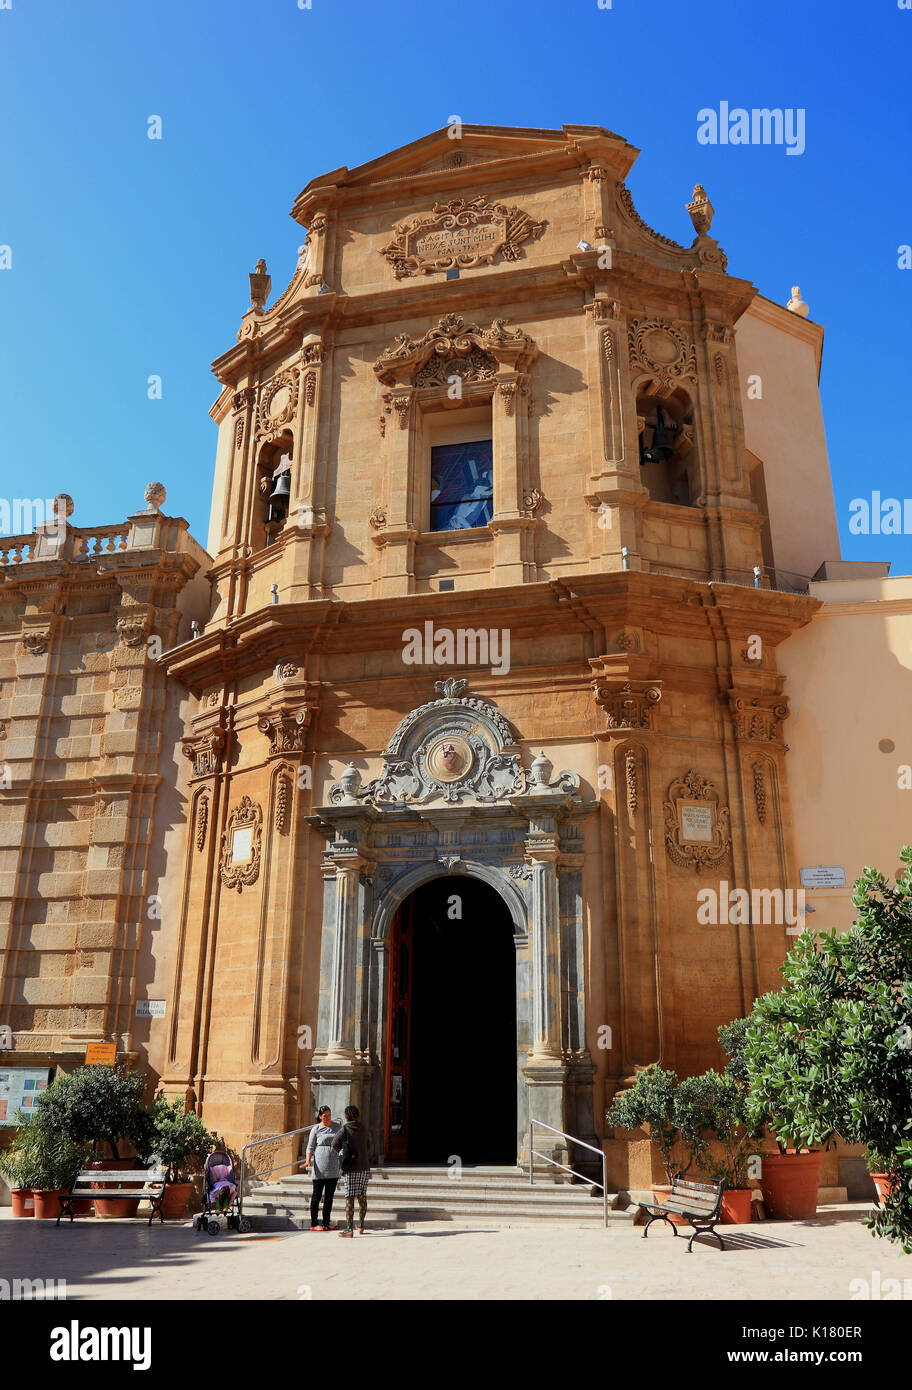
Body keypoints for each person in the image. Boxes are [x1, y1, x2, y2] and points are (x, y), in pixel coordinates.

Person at [331, 1103, 371, 1237]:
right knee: (362, 1196)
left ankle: (349, 1229)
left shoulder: (345, 1129)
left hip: (351, 1168)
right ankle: (360, 1224)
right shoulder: (364, 1128)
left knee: (349, 1198)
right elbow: (369, 1146)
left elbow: (334, 1144)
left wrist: (345, 1154)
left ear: (346, 1116)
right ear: (357, 1115)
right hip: (364, 1167)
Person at [302, 1105, 341, 1231]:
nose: (327, 1117)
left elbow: (342, 1143)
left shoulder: (337, 1127)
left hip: (333, 1165)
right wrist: (308, 1161)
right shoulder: (316, 1129)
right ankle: (314, 1223)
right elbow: (310, 1147)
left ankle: (326, 1222)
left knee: (329, 1196)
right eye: (325, 1115)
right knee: (317, 1195)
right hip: (320, 1165)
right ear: (320, 1116)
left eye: (329, 1115)